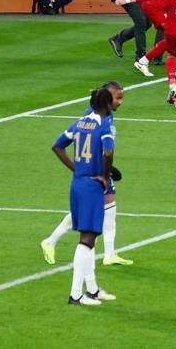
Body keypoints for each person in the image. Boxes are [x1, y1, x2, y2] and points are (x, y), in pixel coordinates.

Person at [42, 82, 131, 267]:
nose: (120, 102)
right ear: (107, 98)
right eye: (118, 97)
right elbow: (98, 147)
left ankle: (109, 253)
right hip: (95, 174)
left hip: (94, 172)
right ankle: (51, 241)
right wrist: (91, 170)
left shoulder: (97, 113)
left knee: (108, 207)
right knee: (95, 211)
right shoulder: (102, 119)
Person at [51, 87, 117, 306]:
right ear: (107, 105)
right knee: (87, 240)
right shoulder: (104, 124)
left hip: (77, 183)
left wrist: (77, 168)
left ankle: (93, 289)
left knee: (89, 237)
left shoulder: (79, 123)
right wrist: (104, 176)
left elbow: (57, 146)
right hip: (91, 187)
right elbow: (108, 152)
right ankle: (76, 294)